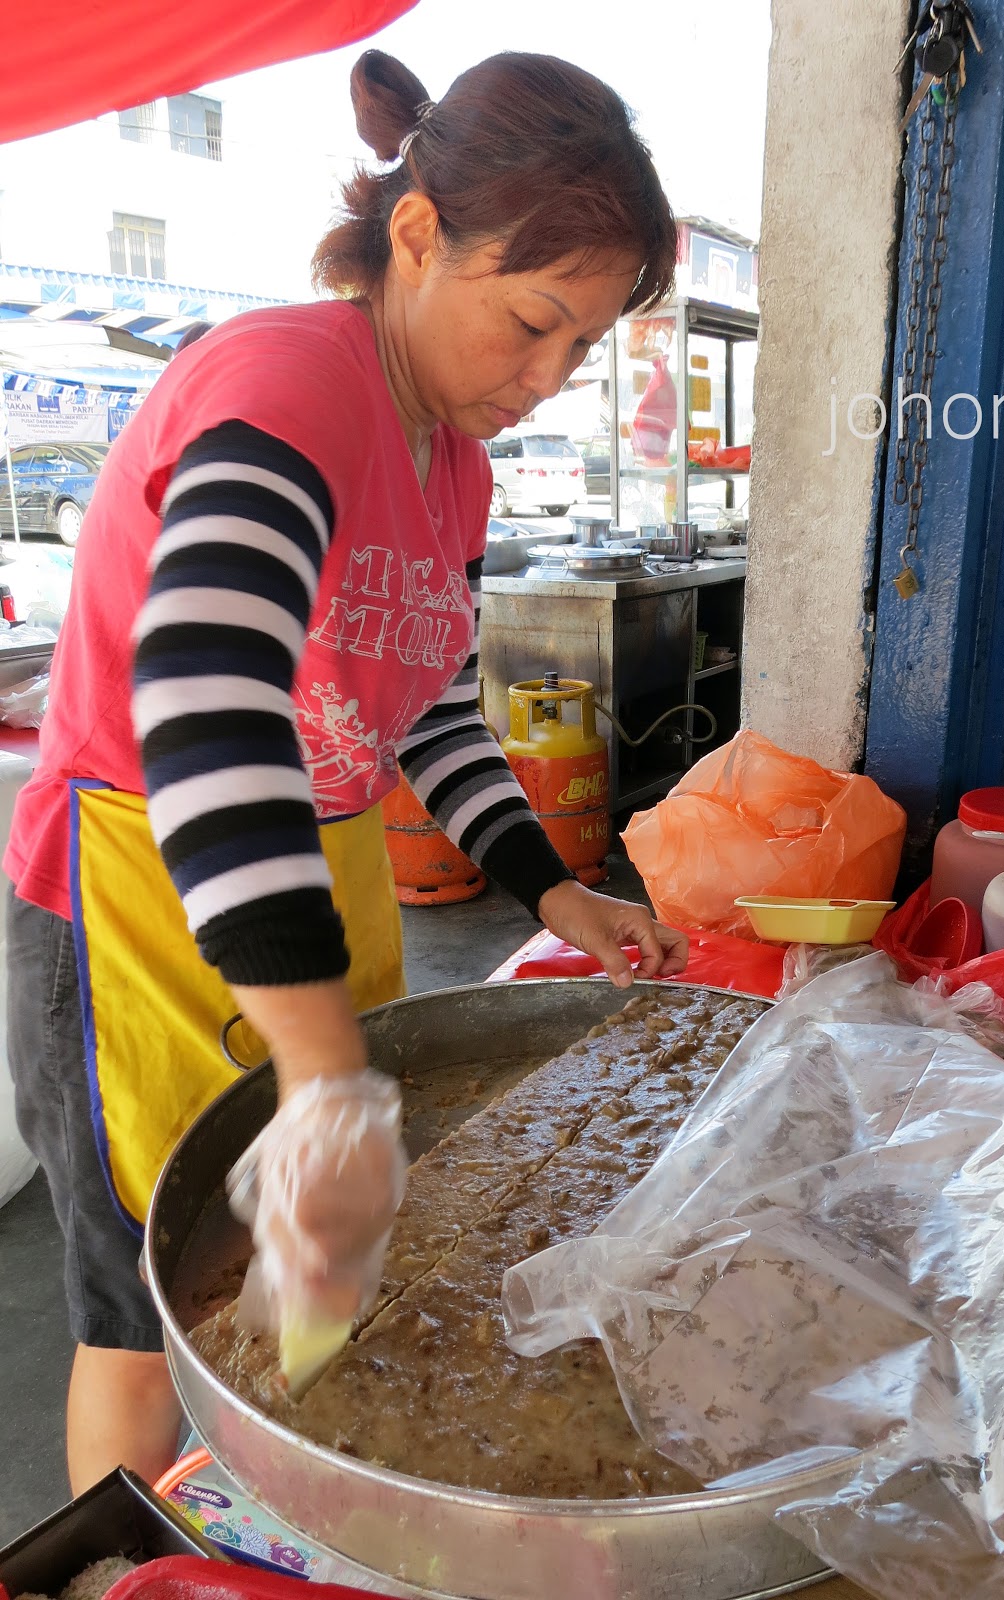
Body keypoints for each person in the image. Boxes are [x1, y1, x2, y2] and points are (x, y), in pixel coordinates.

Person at [4, 47, 686, 1494]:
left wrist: (551, 893)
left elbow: (425, 708)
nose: (548, 378)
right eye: (533, 323)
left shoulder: (458, 465)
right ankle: (120, 1565)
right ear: (420, 236)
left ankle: (274, 1523)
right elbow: (201, 697)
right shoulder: (286, 385)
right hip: (141, 888)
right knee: (150, 1301)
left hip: (323, 877)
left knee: (317, 1279)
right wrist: (326, 1073)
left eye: (583, 348)